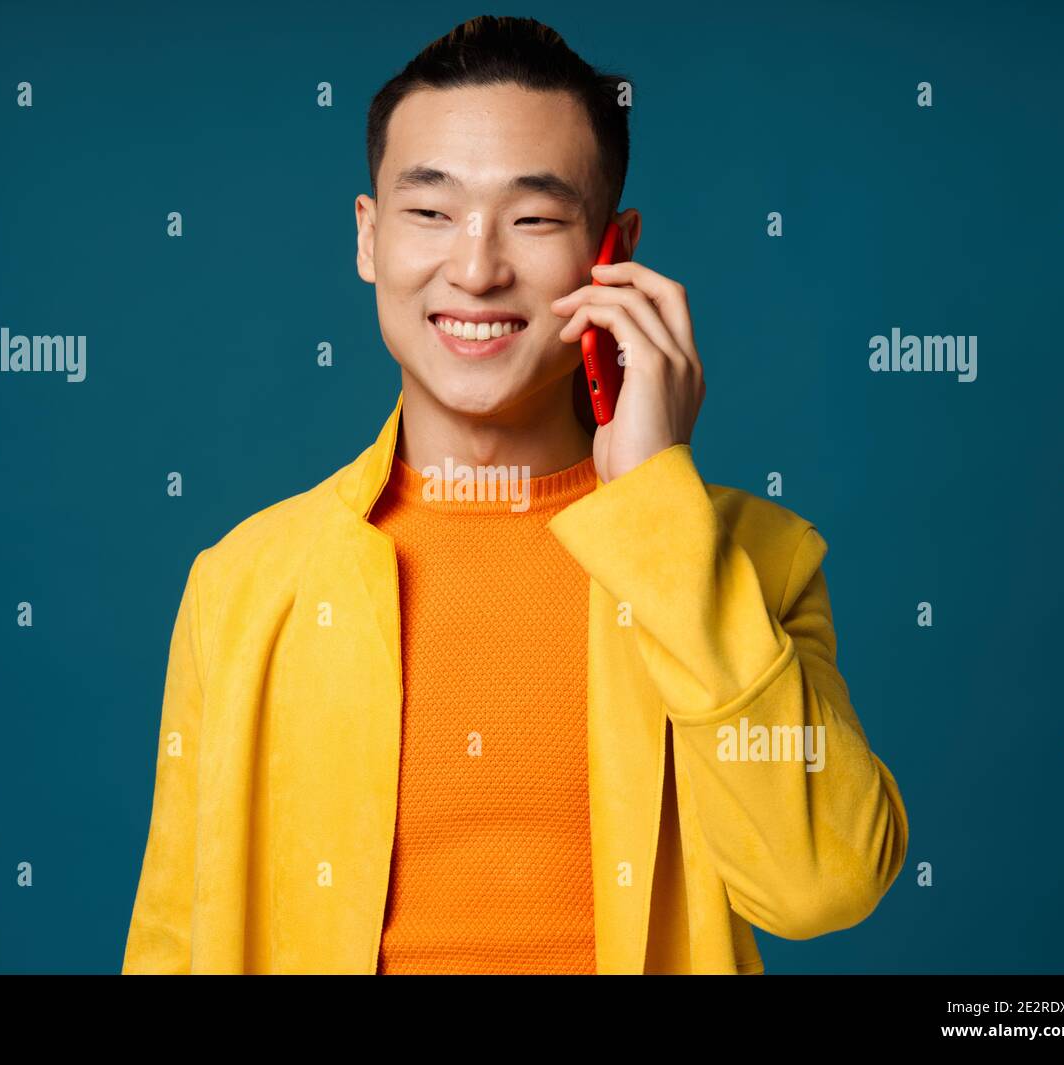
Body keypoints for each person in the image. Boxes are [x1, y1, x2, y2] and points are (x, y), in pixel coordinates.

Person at [122, 14, 909, 976]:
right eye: (430, 212)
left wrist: (658, 515)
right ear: (369, 237)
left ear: (611, 250)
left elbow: (822, 883)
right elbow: (173, 936)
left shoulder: (756, 559)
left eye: (534, 218)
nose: (478, 266)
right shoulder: (243, 585)